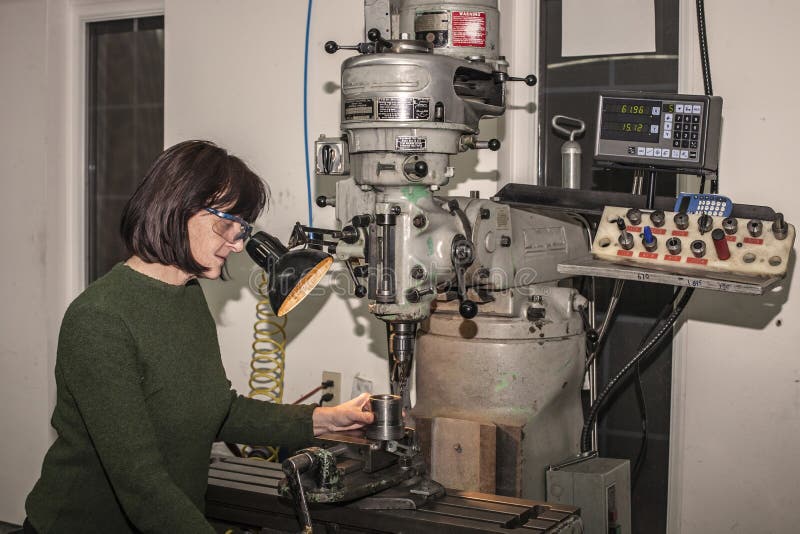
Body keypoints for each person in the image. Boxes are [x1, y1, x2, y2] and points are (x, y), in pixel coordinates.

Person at [24, 140, 373, 533]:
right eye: (229, 224)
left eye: (243, 230)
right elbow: (140, 482)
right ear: (178, 206)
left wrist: (325, 420)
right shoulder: (100, 320)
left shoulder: (188, 297)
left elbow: (217, 409)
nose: (239, 244)